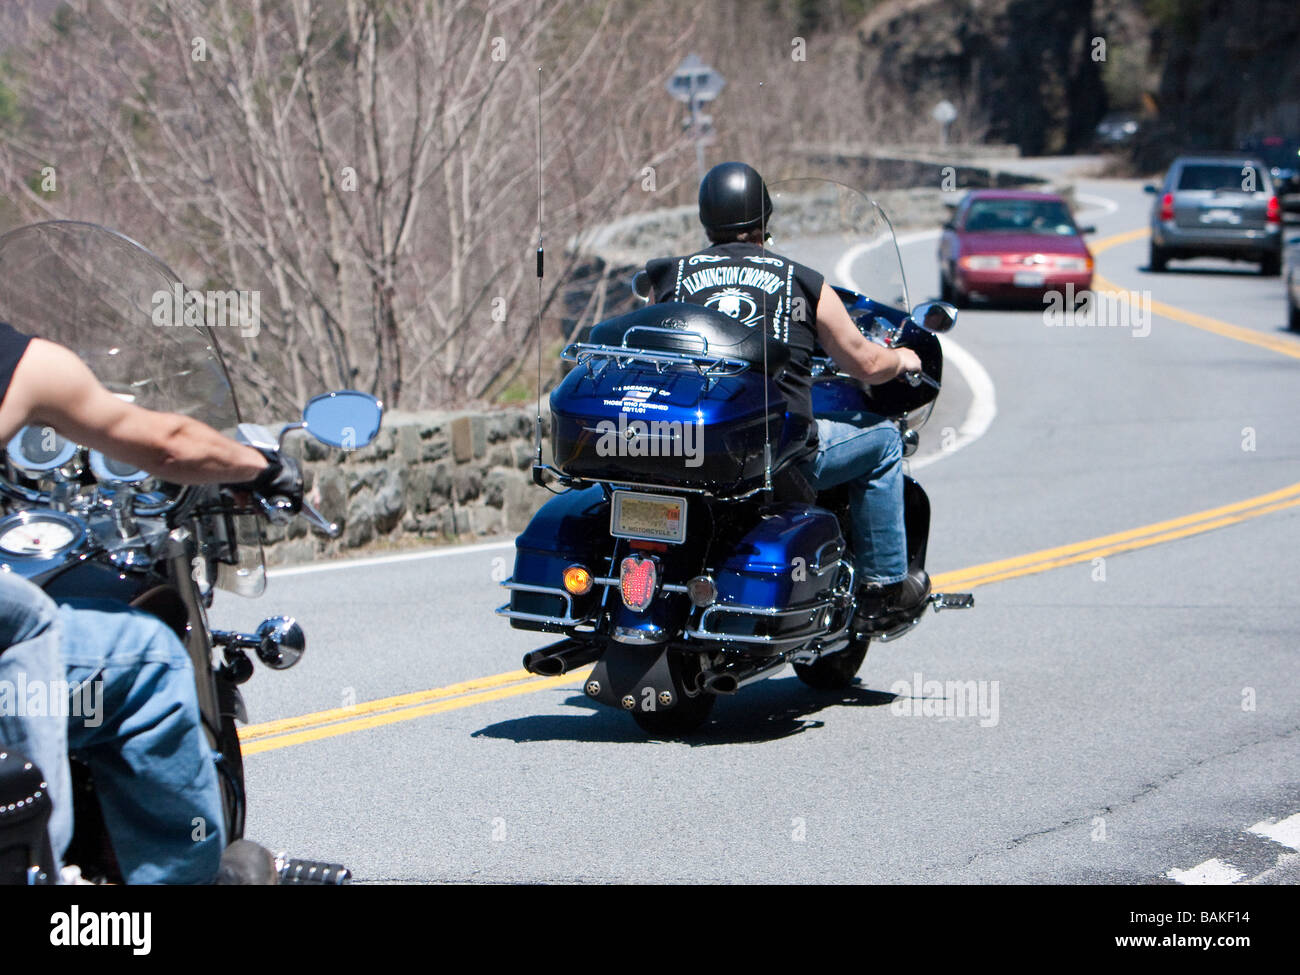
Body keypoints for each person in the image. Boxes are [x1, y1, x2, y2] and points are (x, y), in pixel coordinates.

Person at [0, 319, 300, 883]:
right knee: (144, 659)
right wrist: (265, 469)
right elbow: (167, 443)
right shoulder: (22, 363)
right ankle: (43, 864)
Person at [642, 161, 931, 631]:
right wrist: (903, 359)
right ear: (765, 214)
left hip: (688, 449)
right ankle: (885, 587)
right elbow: (865, 363)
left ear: (705, 217)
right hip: (777, 457)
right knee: (883, 442)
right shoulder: (803, 282)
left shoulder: (670, 279)